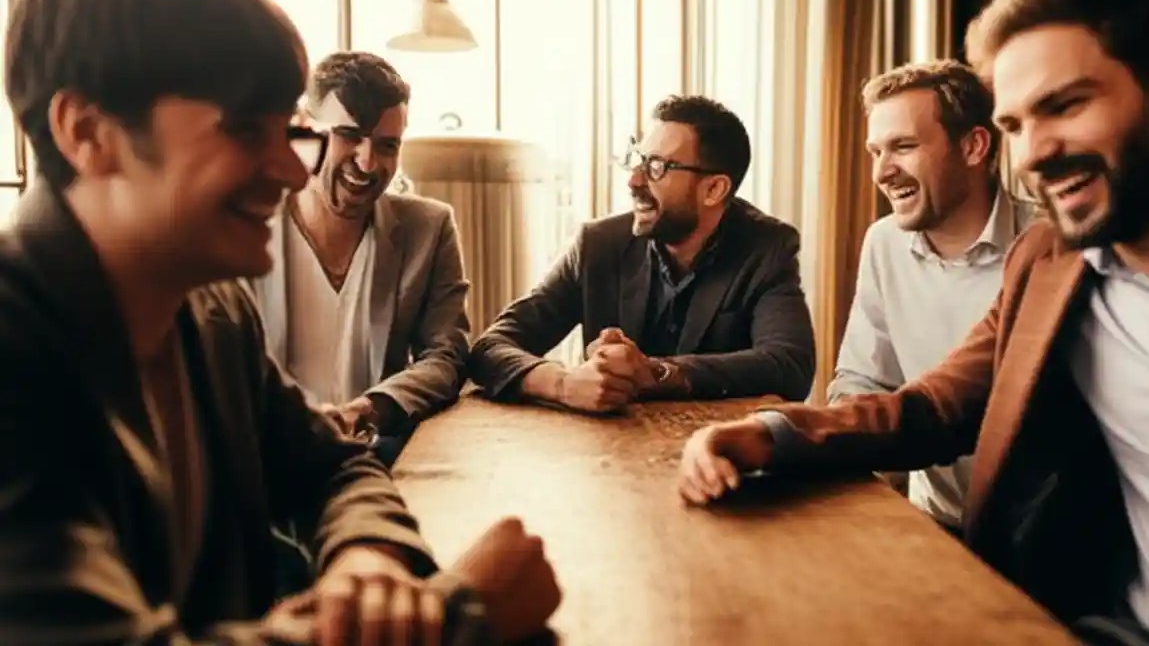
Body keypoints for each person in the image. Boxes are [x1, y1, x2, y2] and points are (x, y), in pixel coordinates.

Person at [677, 0, 1149, 645]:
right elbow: (935, 407)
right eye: (1017, 124)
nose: (1033, 155)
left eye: (1066, 105)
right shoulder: (1048, 262)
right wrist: (771, 434)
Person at [0, 0, 558, 645]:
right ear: (88, 134)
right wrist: (458, 613)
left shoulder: (212, 311)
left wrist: (367, 562)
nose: (294, 169)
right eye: (244, 131)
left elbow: (336, 462)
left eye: (286, 132)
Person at [468, 95, 815, 413]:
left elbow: (789, 366)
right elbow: (491, 347)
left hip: (717, 458)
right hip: (606, 456)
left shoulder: (766, 247)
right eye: (638, 161)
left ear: (713, 189)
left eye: (657, 167)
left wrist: (655, 373)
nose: (634, 181)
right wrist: (563, 384)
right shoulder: (599, 245)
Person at [832, 59, 1033, 533]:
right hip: (932, 525)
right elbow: (864, 379)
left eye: (902, 147)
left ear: (974, 146)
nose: (883, 172)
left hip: (1042, 545)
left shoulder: (1051, 246)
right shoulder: (883, 242)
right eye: (874, 151)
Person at [252, 51, 470, 444]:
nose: (368, 163)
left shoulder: (429, 228)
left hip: (373, 459)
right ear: (305, 130)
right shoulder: (249, 228)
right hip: (264, 461)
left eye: (387, 146)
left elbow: (447, 355)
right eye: (349, 136)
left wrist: (372, 409)